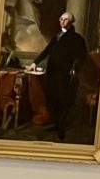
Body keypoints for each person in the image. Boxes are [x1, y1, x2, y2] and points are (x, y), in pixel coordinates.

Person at [32, 10, 88, 141]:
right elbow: (47, 51)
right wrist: (35, 62)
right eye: (61, 19)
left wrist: (75, 68)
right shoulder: (56, 36)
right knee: (52, 99)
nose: (62, 21)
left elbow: (82, 57)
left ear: (71, 22)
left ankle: (61, 128)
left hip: (65, 75)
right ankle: (56, 124)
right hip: (52, 73)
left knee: (63, 100)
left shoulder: (77, 38)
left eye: (65, 19)